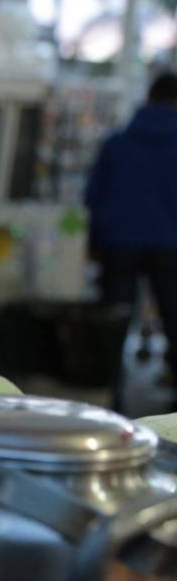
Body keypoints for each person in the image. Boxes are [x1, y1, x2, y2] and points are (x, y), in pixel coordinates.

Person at [86, 72, 177, 389]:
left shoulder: (117, 143)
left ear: (148, 97)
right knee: (174, 317)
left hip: (118, 244)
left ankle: (107, 390)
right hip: (170, 246)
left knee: (114, 322)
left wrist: (96, 243)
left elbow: (93, 198)